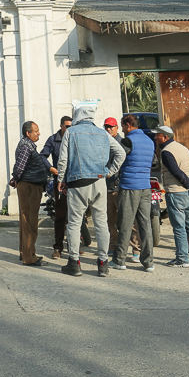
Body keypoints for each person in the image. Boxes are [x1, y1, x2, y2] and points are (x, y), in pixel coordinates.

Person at [56, 101, 125, 277]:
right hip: (100, 182)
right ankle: (103, 264)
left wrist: (61, 179)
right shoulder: (103, 133)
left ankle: (74, 263)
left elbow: (63, 160)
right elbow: (121, 153)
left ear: (78, 116)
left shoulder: (71, 132)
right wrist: (110, 172)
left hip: (78, 183)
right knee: (101, 224)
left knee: (74, 223)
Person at [112, 114, 156, 271]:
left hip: (130, 186)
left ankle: (119, 260)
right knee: (145, 225)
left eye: (123, 127)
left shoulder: (127, 141)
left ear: (128, 125)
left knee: (125, 223)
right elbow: (154, 161)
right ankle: (149, 262)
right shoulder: (149, 141)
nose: (123, 130)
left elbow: (118, 159)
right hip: (146, 187)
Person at [9, 120, 55, 266]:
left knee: (26, 221)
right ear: (28, 133)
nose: (39, 133)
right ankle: (29, 257)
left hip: (30, 186)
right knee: (30, 222)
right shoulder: (25, 147)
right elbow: (19, 167)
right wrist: (15, 178)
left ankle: (26, 253)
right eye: (36, 131)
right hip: (29, 188)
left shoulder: (27, 146)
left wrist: (16, 178)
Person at [156, 125, 189, 267]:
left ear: (165, 137)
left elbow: (176, 172)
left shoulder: (166, 152)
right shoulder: (183, 148)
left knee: (179, 227)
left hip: (176, 193)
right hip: (188, 195)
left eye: (157, 135)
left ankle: (182, 258)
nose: (155, 137)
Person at [41, 116, 86, 259]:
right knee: (60, 216)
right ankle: (58, 248)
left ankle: (74, 246)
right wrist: (51, 168)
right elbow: (42, 156)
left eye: (71, 126)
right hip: (60, 182)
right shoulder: (53, 140)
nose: (69, 129)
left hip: (75, 182)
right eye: (67, 126)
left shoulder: (76, 138)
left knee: (77, 216)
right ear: (61, 126)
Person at [103, 117, 127, 249]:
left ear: (117, 127)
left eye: (111, 126)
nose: (109, 129)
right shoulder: (103, 142)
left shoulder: (122, 143)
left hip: (119, 187)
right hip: (106, 187)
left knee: (123, 220)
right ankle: (113, 246)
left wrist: (113, 174)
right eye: (106, 127)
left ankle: (126, 247)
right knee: (109, 220)